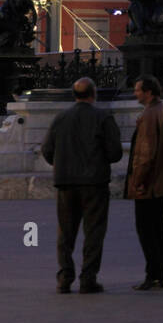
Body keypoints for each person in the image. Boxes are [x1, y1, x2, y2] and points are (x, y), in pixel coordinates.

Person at [41, 78, 124, 294]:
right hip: (94, 183)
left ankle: (64, 277)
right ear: (93, 94)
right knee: (94, 232)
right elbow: (115, 152)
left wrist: (62, 165)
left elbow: (47, 149)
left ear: (74, 95)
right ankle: (88, 278)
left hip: (66, 183)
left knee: (65, 233)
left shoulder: (61, 118)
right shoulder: (103, 117)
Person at [125, 75, 163, 291]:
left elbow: (145, 155)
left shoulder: (148, 115)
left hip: (150, 183)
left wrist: (138, 182)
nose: (135, 93)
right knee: (159, 227)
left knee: (146, 229)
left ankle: (153, 273)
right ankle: (161, 271)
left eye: (138, 90)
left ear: (149, 92)